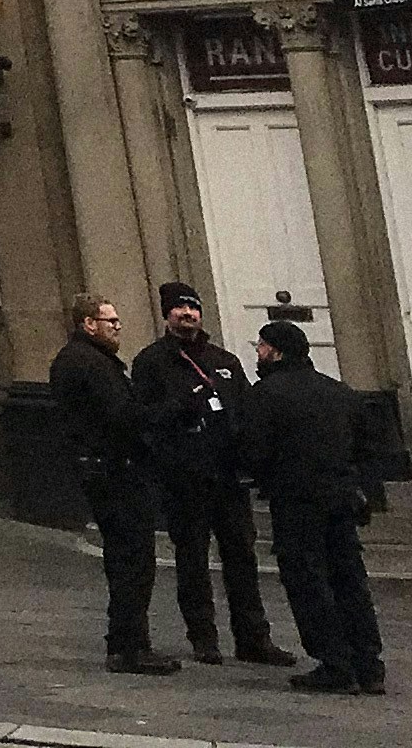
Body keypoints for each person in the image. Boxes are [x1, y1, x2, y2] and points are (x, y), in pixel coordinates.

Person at [129, 283, 287, 665]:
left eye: (193, 308)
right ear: (167, 315)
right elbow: (143, 420)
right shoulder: (151, 362)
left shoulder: (225, 361)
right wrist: (179, 410)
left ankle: (253, 637)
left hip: (227, 475)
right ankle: (203, 637)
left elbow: (245, 409)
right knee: (193, 558)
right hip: (184, 477)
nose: (188, 315)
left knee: (241, 557)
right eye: (179, 309)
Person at [237, 317, 386, 698]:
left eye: (261, 347)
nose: (258, 353)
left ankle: (334, 663)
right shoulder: (339, 392)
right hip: (341, 499)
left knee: (308, 582)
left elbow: (253, 452)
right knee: (349, 579)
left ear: (276, 351)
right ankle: (368, 662)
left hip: (297, 502)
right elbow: (368, 448)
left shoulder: (266, 395)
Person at [50, 290, 176, 673]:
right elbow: (121, 417)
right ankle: (129, 646)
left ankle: (127, 642)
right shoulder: (90, 364)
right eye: (112, 322)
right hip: (115, 471)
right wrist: (162, 416)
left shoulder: (84, 360)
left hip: (107, 468)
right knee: (132, 559)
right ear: (90, 324)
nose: (119, 328)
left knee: (128, 558)